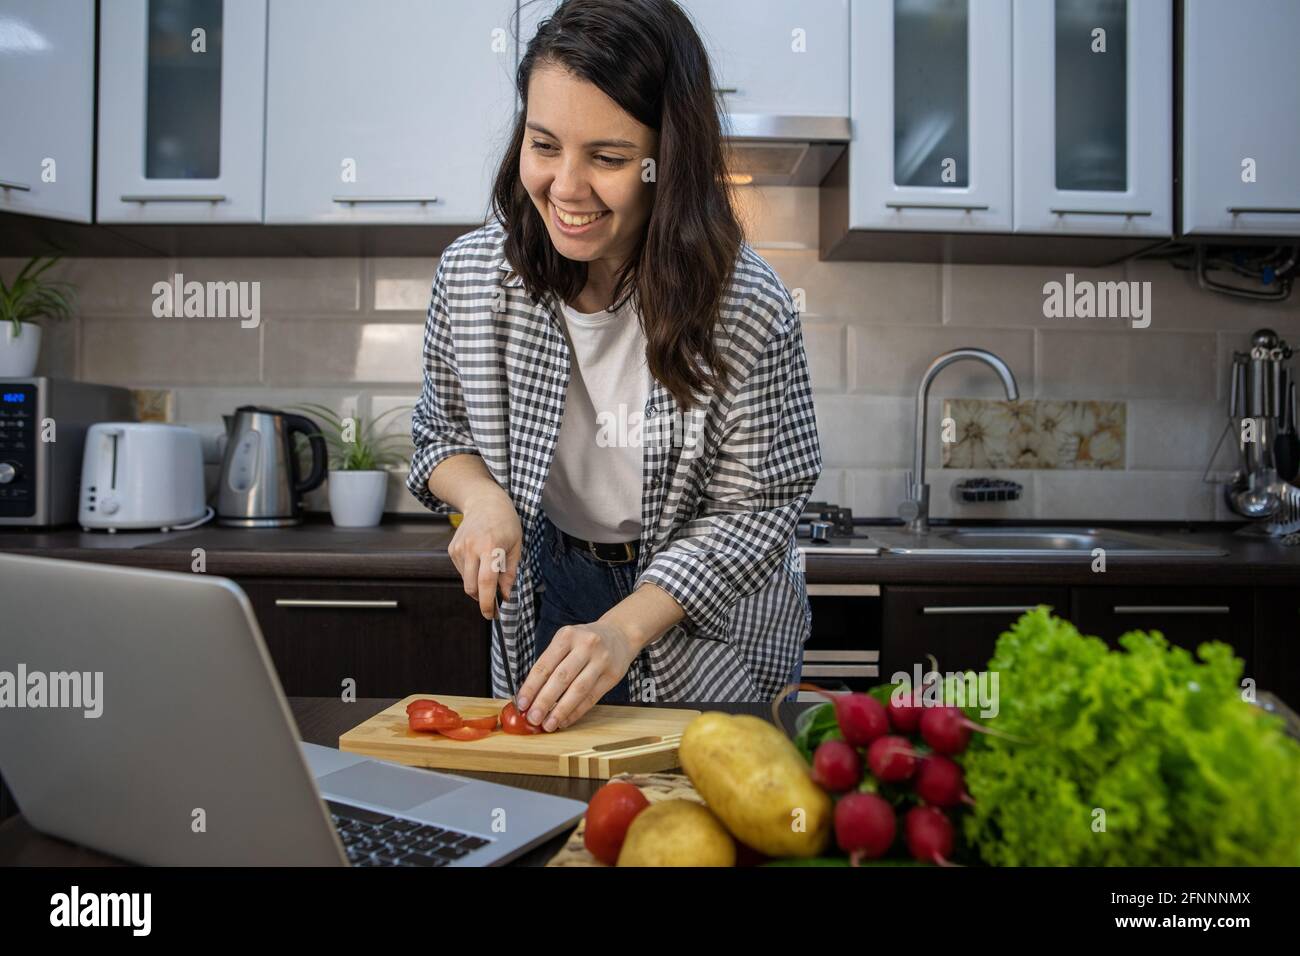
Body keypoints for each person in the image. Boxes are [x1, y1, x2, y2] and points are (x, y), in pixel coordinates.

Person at [407, 0, 821, 733]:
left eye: (608, 158)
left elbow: (758, 510)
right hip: (550, 580)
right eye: (544, 145)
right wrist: (482, 500)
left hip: (703, 612)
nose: (566, 188)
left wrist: (627, 627)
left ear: (670, 161)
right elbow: (439, 436)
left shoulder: (748, 303)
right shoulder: (473, 278)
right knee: (555, 811)